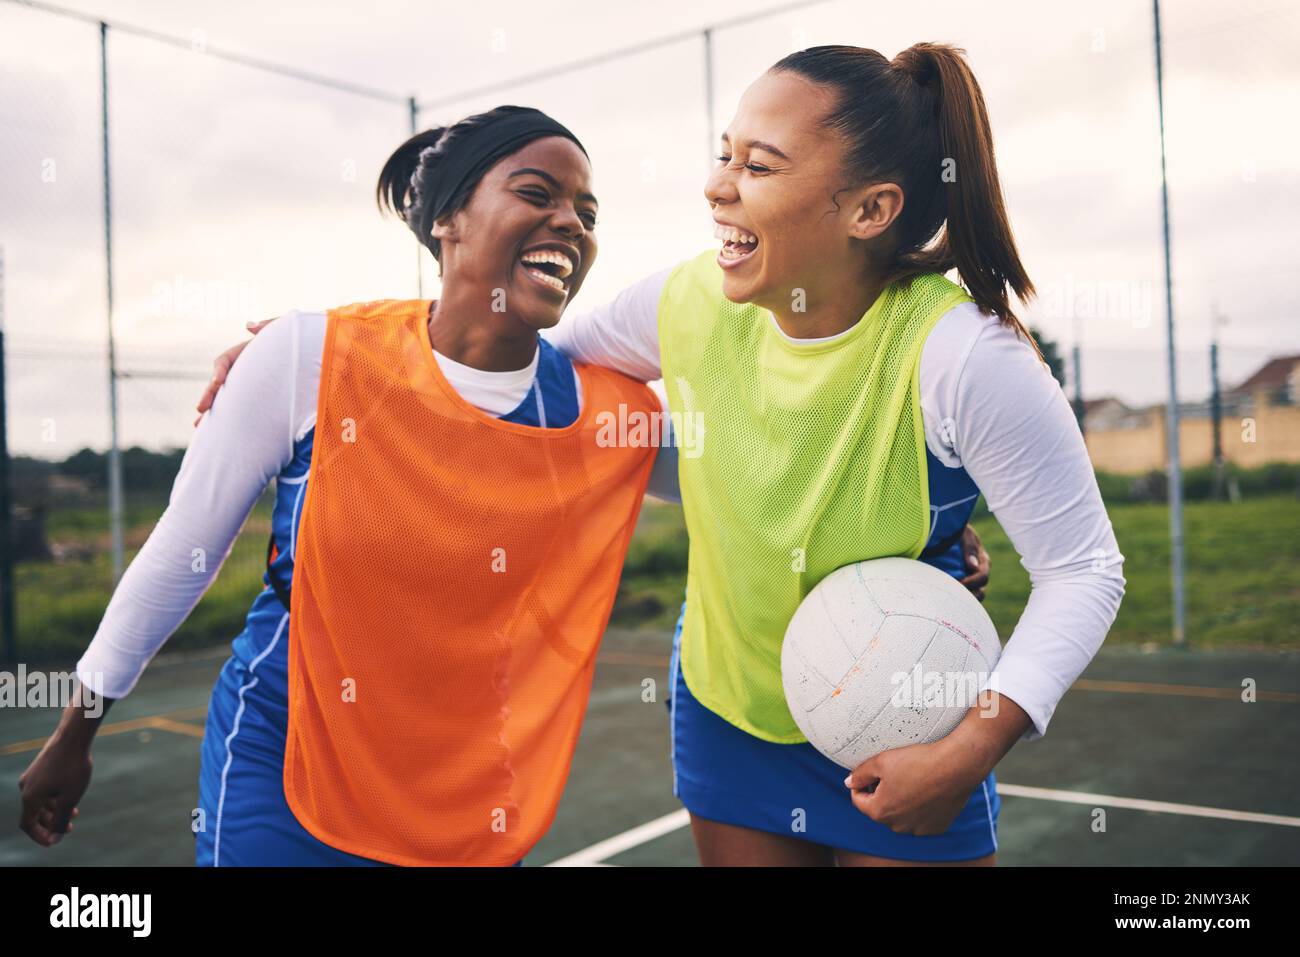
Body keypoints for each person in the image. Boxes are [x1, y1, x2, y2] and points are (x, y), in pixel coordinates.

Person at [200, 42, 1115, 869]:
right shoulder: (686, 301)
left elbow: (1083, 570)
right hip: (729, 707)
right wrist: (325, 351)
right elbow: (509, 364)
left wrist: (972, 746)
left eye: (759, 166)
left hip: (912, 712)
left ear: (871, 209)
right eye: (725, 154)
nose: (719, 187)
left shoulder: (965, 357)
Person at [18, 105, 680, 866]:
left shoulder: (601, 414)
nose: (570, 222)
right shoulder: (308, 356)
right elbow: (181, 548)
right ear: (450, 219)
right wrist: (77, 728)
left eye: (587, 212)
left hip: (465, 789)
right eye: (538, 194)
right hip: (286, 758)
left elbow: (726, 401)